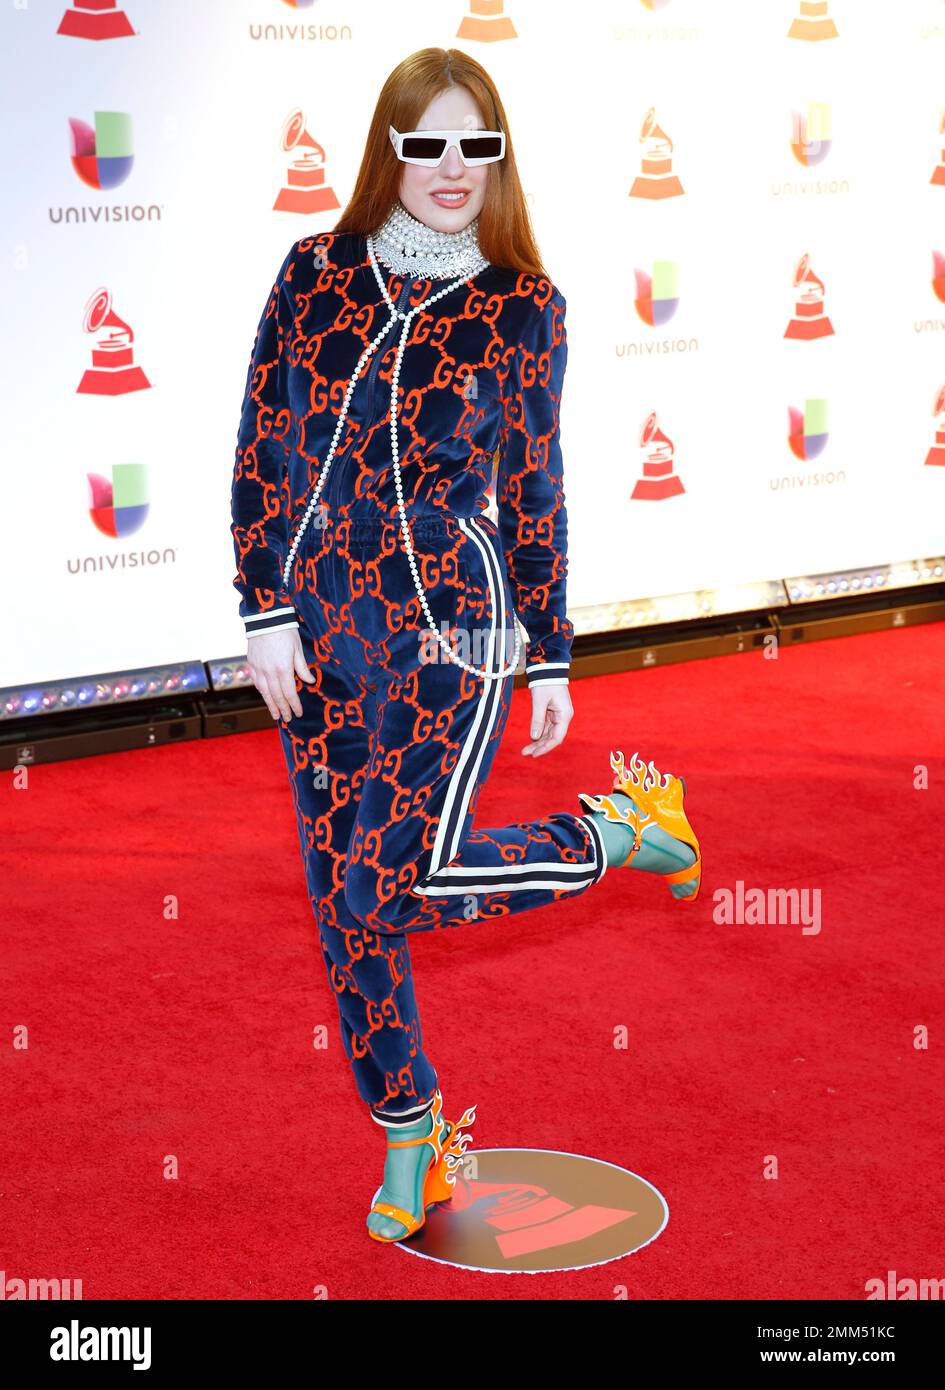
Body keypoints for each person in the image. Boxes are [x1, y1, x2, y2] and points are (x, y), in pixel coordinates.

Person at [230, 47, 702, 1245]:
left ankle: (614, 832)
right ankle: (412, 1134)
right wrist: (263, 606)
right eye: (426, 142)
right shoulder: (314, 272)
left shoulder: (522, 304)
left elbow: (535, 483)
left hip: (455, 619)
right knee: (344, 905)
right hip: (318, 615)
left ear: (500, 159)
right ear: (388, 147)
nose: (450, 168)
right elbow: (263, 445)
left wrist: (549, 646)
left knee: (382, 881)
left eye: (475, 146)